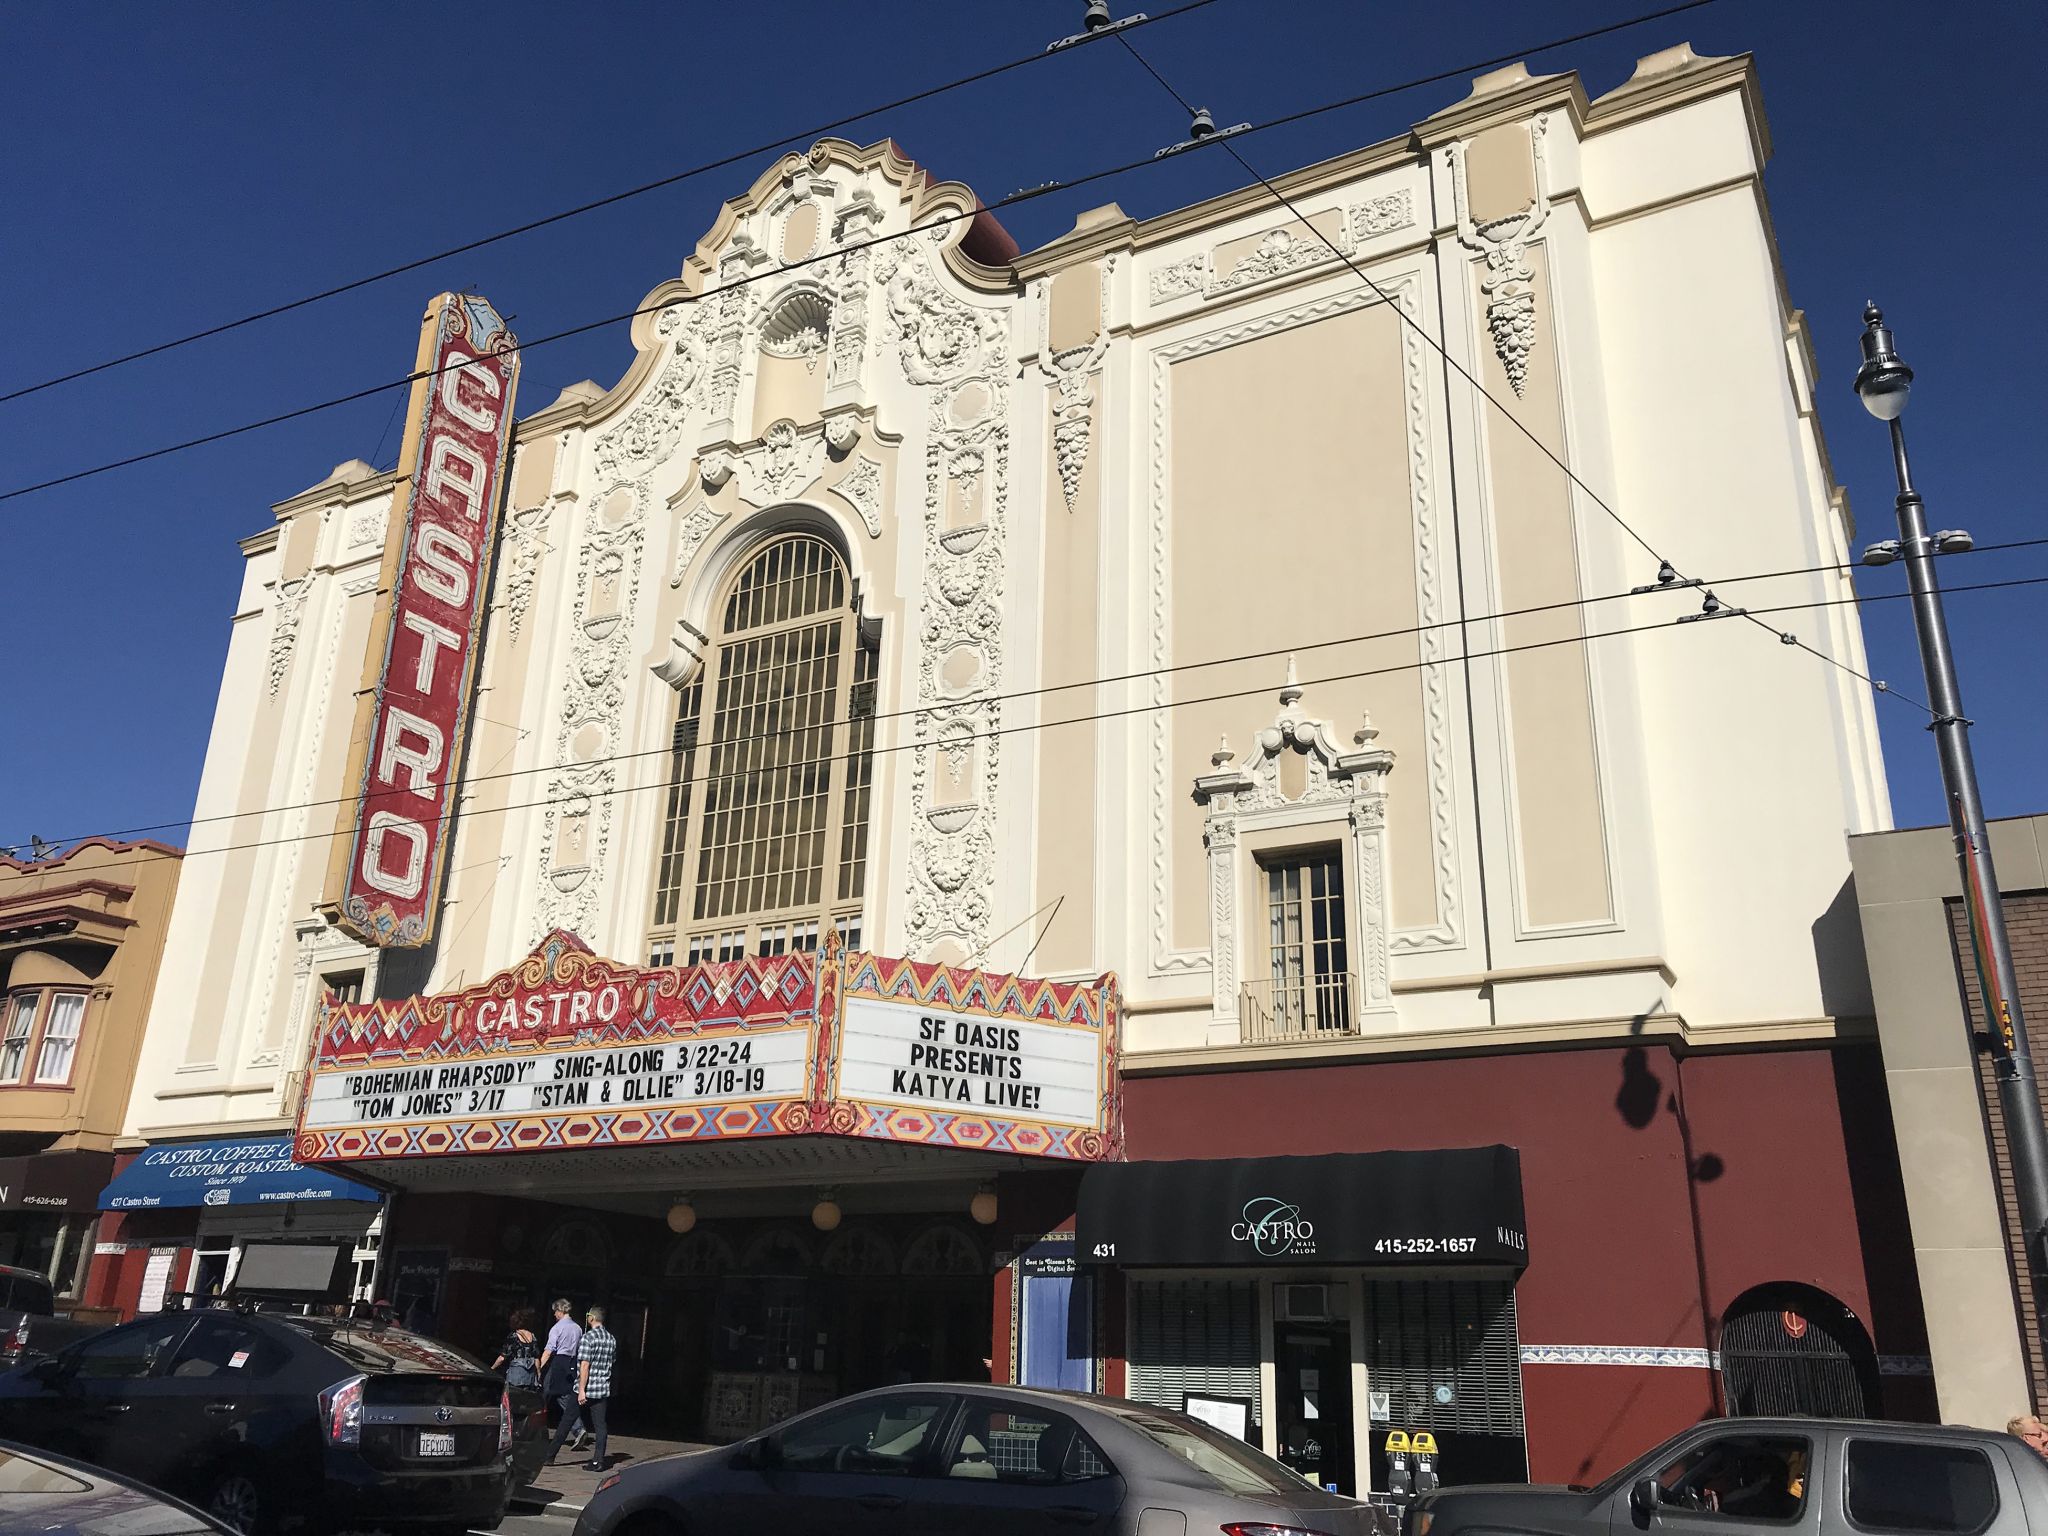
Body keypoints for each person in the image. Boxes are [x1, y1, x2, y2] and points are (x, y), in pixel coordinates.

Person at [565, 1305, 617, 1472]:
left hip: (587, 1388)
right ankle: (599, 1460)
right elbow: (612, 1362)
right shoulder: (611, 1339)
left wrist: (581, 1389)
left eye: (588, 1315)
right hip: (602, 1388)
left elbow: (585, 1366)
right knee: (601, 1425)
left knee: (567, 1419)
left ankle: (550, 1455)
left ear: (592, 1318)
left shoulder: (588, 1338)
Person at [540, 1297, 588, 1456]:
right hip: (573, 1363)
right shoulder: (578, 1328)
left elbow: (549, 1350)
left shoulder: (557, 1328)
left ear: (560, 1311)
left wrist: (539, 1367)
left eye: (555, 1311)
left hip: (559, 1362)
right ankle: (578, 1429)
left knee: (544, 1393)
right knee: (565, 1395)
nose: (554, 1314)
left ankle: (535, 1428)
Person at [493, 1307, 541, 1391]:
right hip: (529, 1377)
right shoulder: (533, 1336)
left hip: (516, 1375)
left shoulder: (513, 1336)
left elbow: (502, 1357)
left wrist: (492, 1369)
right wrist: (538, 1374)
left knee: (512, 1398)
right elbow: (536, 1358)